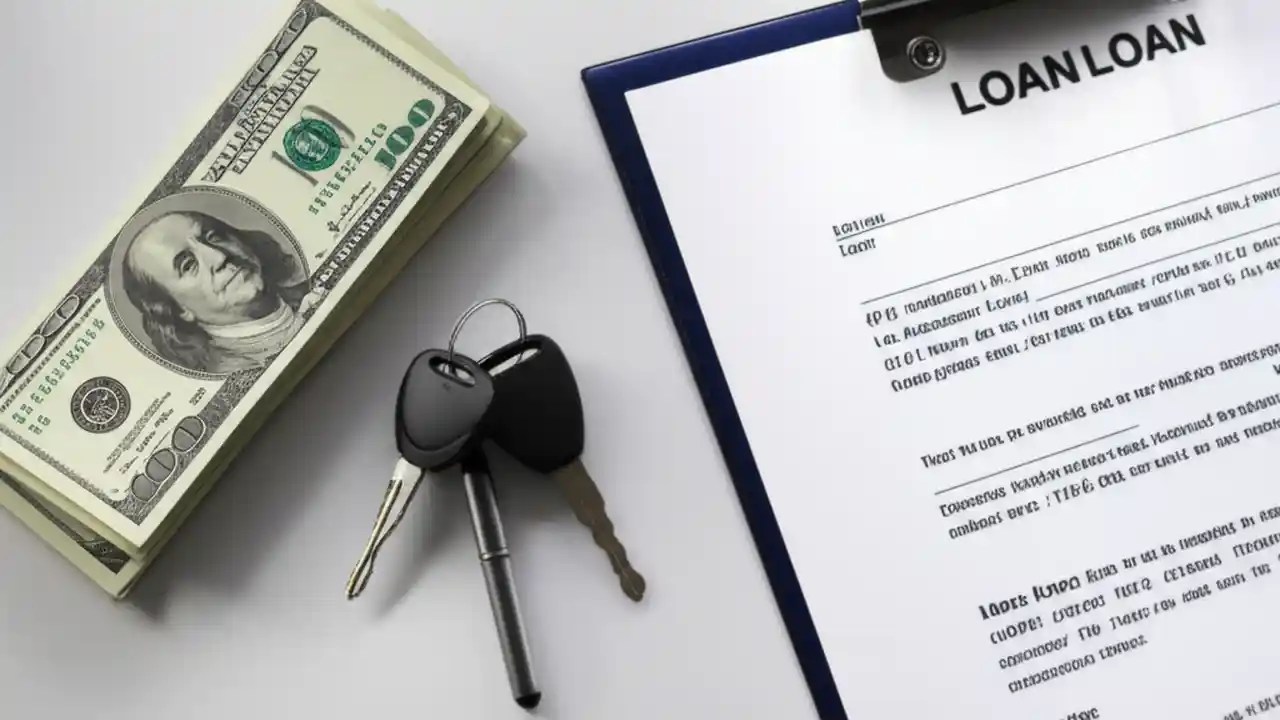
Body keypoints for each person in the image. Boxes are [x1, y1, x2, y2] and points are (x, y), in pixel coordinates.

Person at [121, 211, 319, 374]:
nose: (220, 256)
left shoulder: (315, 288)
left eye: (213, 237)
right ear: (178, 309)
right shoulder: (231, 371)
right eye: (189, 265)